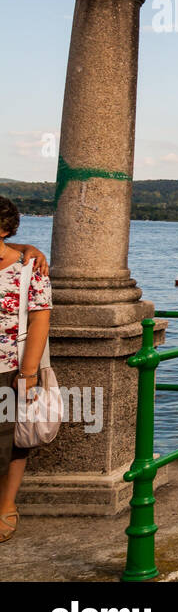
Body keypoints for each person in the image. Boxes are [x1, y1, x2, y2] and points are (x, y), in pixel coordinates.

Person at [0, 198, 51, 544]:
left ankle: (6, 505)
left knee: (12, 440)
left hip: (9, 366)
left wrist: (29, 373)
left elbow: (40, 316)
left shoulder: (29, 269)